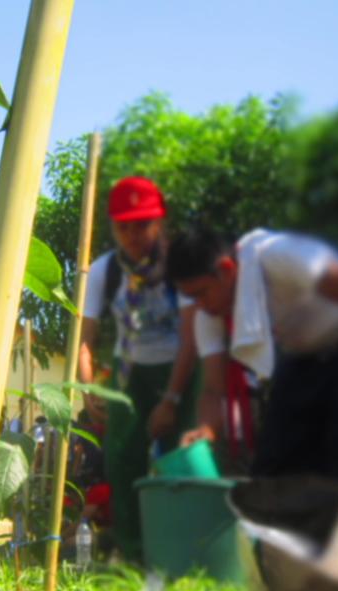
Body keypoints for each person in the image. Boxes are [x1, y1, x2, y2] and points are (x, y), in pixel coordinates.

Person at [168, 227, 338, 479]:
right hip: (304, 360)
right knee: (270, 472)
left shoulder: (279, 256)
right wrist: (206, 430)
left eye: (202, 293)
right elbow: (213, 389)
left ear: (227, 270)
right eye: (190, 298)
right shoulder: (208, 314)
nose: (200, 306)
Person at [77, 176, 197, 561]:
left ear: (158, 222)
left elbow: (193, 337)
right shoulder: (104, 271)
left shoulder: (181, 266)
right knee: (121, 459)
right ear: (113, 227)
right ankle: (133, 554)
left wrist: (173, 398)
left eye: (142, 225)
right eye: (124, 226)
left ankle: (186, 553)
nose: (133, 235)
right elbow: (86, 337)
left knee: (185, 459)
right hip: (128, 374)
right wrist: (87, 385)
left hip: (180, 369)